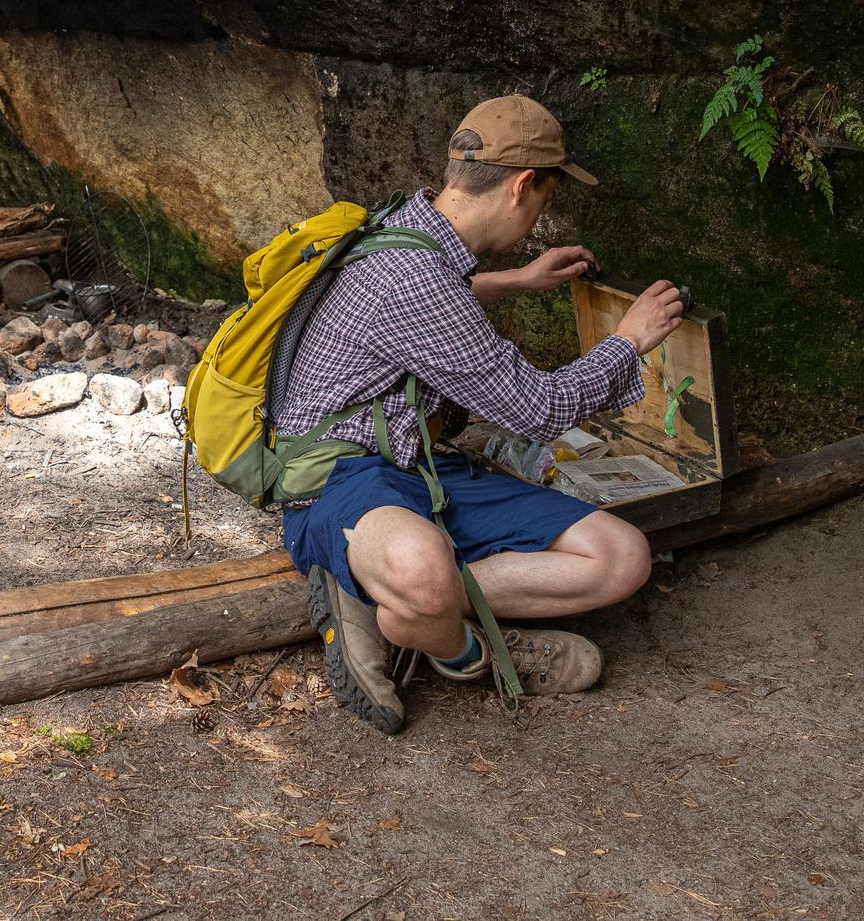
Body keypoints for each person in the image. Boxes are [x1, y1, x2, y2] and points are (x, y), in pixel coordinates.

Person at [275, 95, 683, 733]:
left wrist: (516, 279)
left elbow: (427, 303)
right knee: (421, 570)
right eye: (546, 198)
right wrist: (628, 341)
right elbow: (537, 409)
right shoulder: (414, 278)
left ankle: (382, 595)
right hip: (340, 478)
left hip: (416, 461)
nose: (540, 212)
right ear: (523, 186)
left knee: (621, 557)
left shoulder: (406, 223)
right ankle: (471, 649)